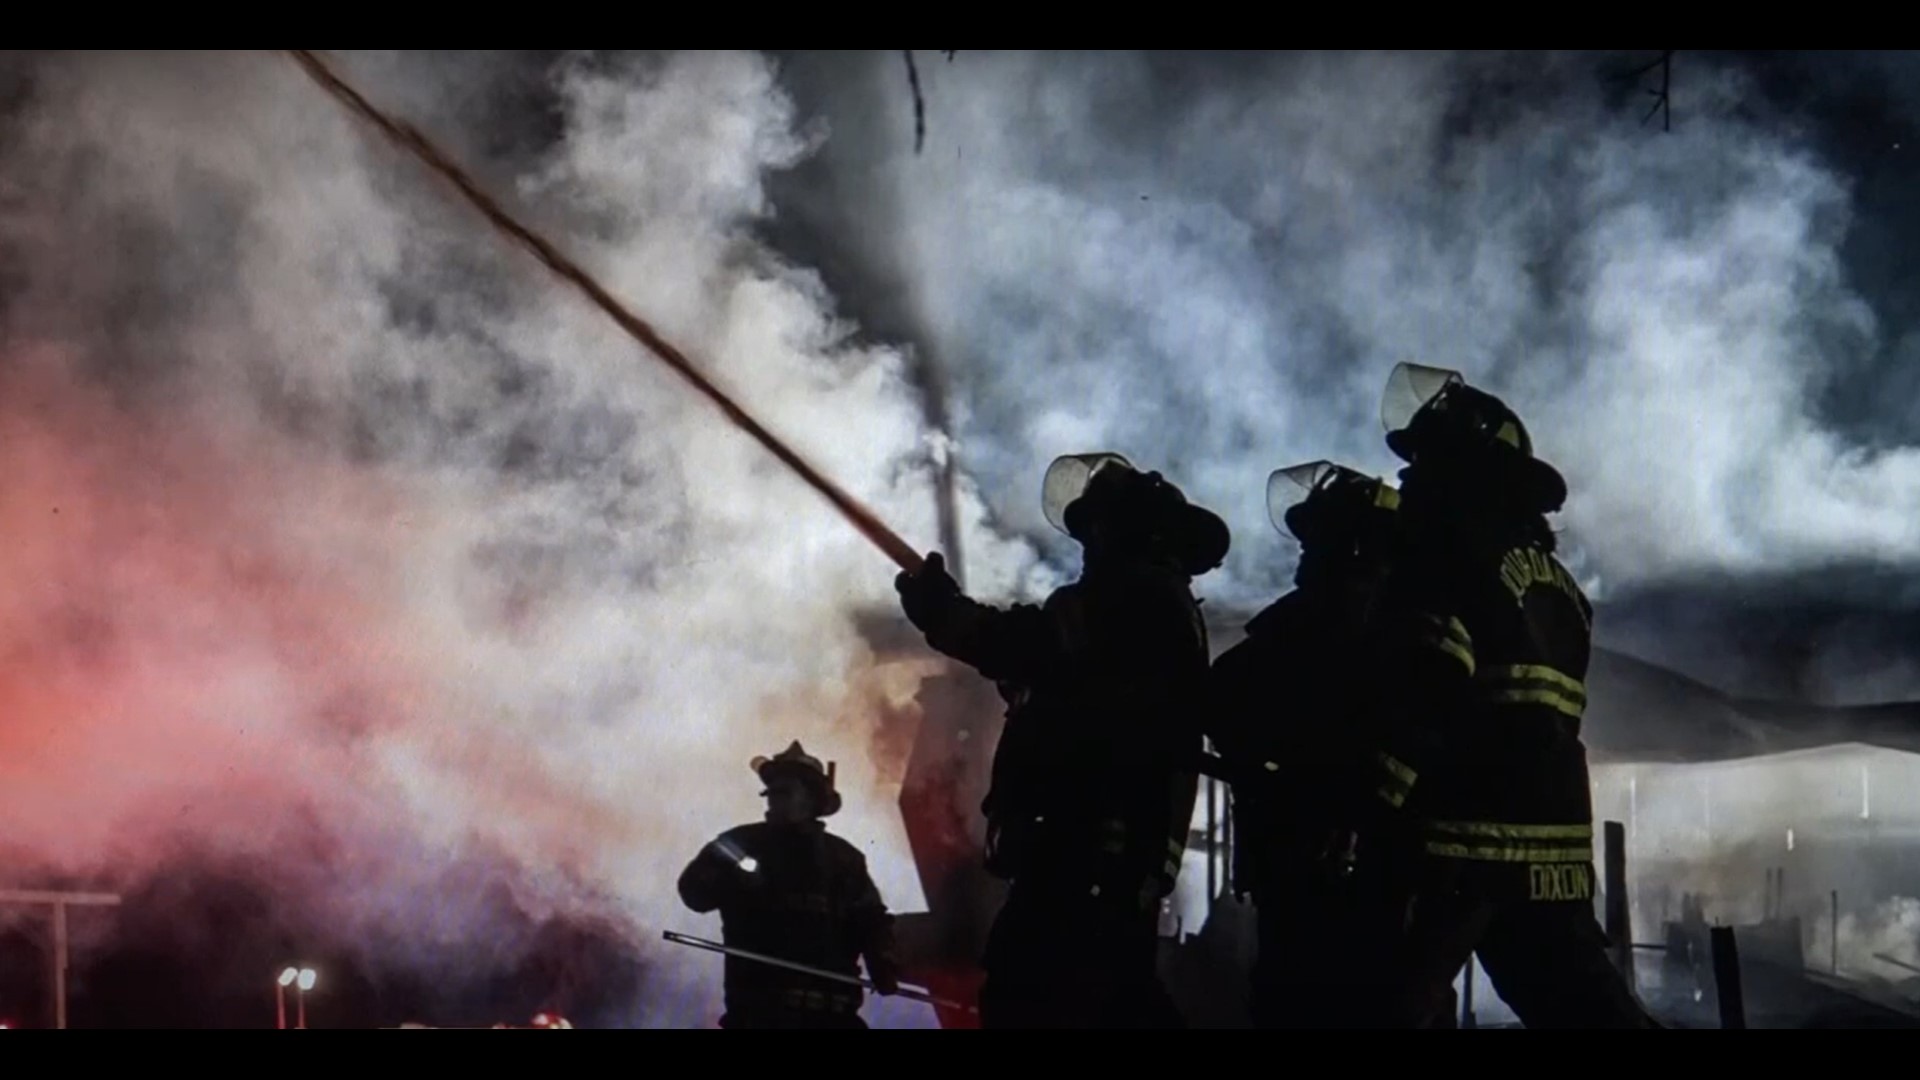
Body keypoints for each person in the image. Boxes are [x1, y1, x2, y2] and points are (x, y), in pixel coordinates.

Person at [1345, 362, 1657, 1029]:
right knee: (1587, 1012)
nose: (1405, 479)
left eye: (1426, 463)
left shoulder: (1441, 562)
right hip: (1553, 857)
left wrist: (1364, 808)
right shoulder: (1560, 587)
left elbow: (1421, 697)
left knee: (1380, 1005)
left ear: (1465, 476)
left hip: (1458, 851)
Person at [893, 452, 1229, 1028]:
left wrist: (943, 612)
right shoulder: (1158, 607)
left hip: (1080, 864)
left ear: (1121, 530)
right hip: (1107, 869)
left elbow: (1026, 642)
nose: (1088, 543)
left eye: (1097, 527)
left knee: (1030, 999)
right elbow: (1080, 691)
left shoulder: (1132, 597)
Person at [1206, 459, 1440, 1028]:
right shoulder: (1362, 619)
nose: (1306, 555)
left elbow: (1225, 698)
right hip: (1316, 860)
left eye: (1321, 541)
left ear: (1358, 546)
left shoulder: (1364, 623)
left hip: (1335, 863)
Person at [677, 741, 902, 1029]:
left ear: (811, 798)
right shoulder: (738, 844)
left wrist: (882, 962)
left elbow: (871, 920)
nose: (774, 798)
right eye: (772, 791)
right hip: (759, 1019)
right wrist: (732, 883)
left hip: (833, 1021)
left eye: (786, 790)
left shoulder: (844, 859)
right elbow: (693, 895)